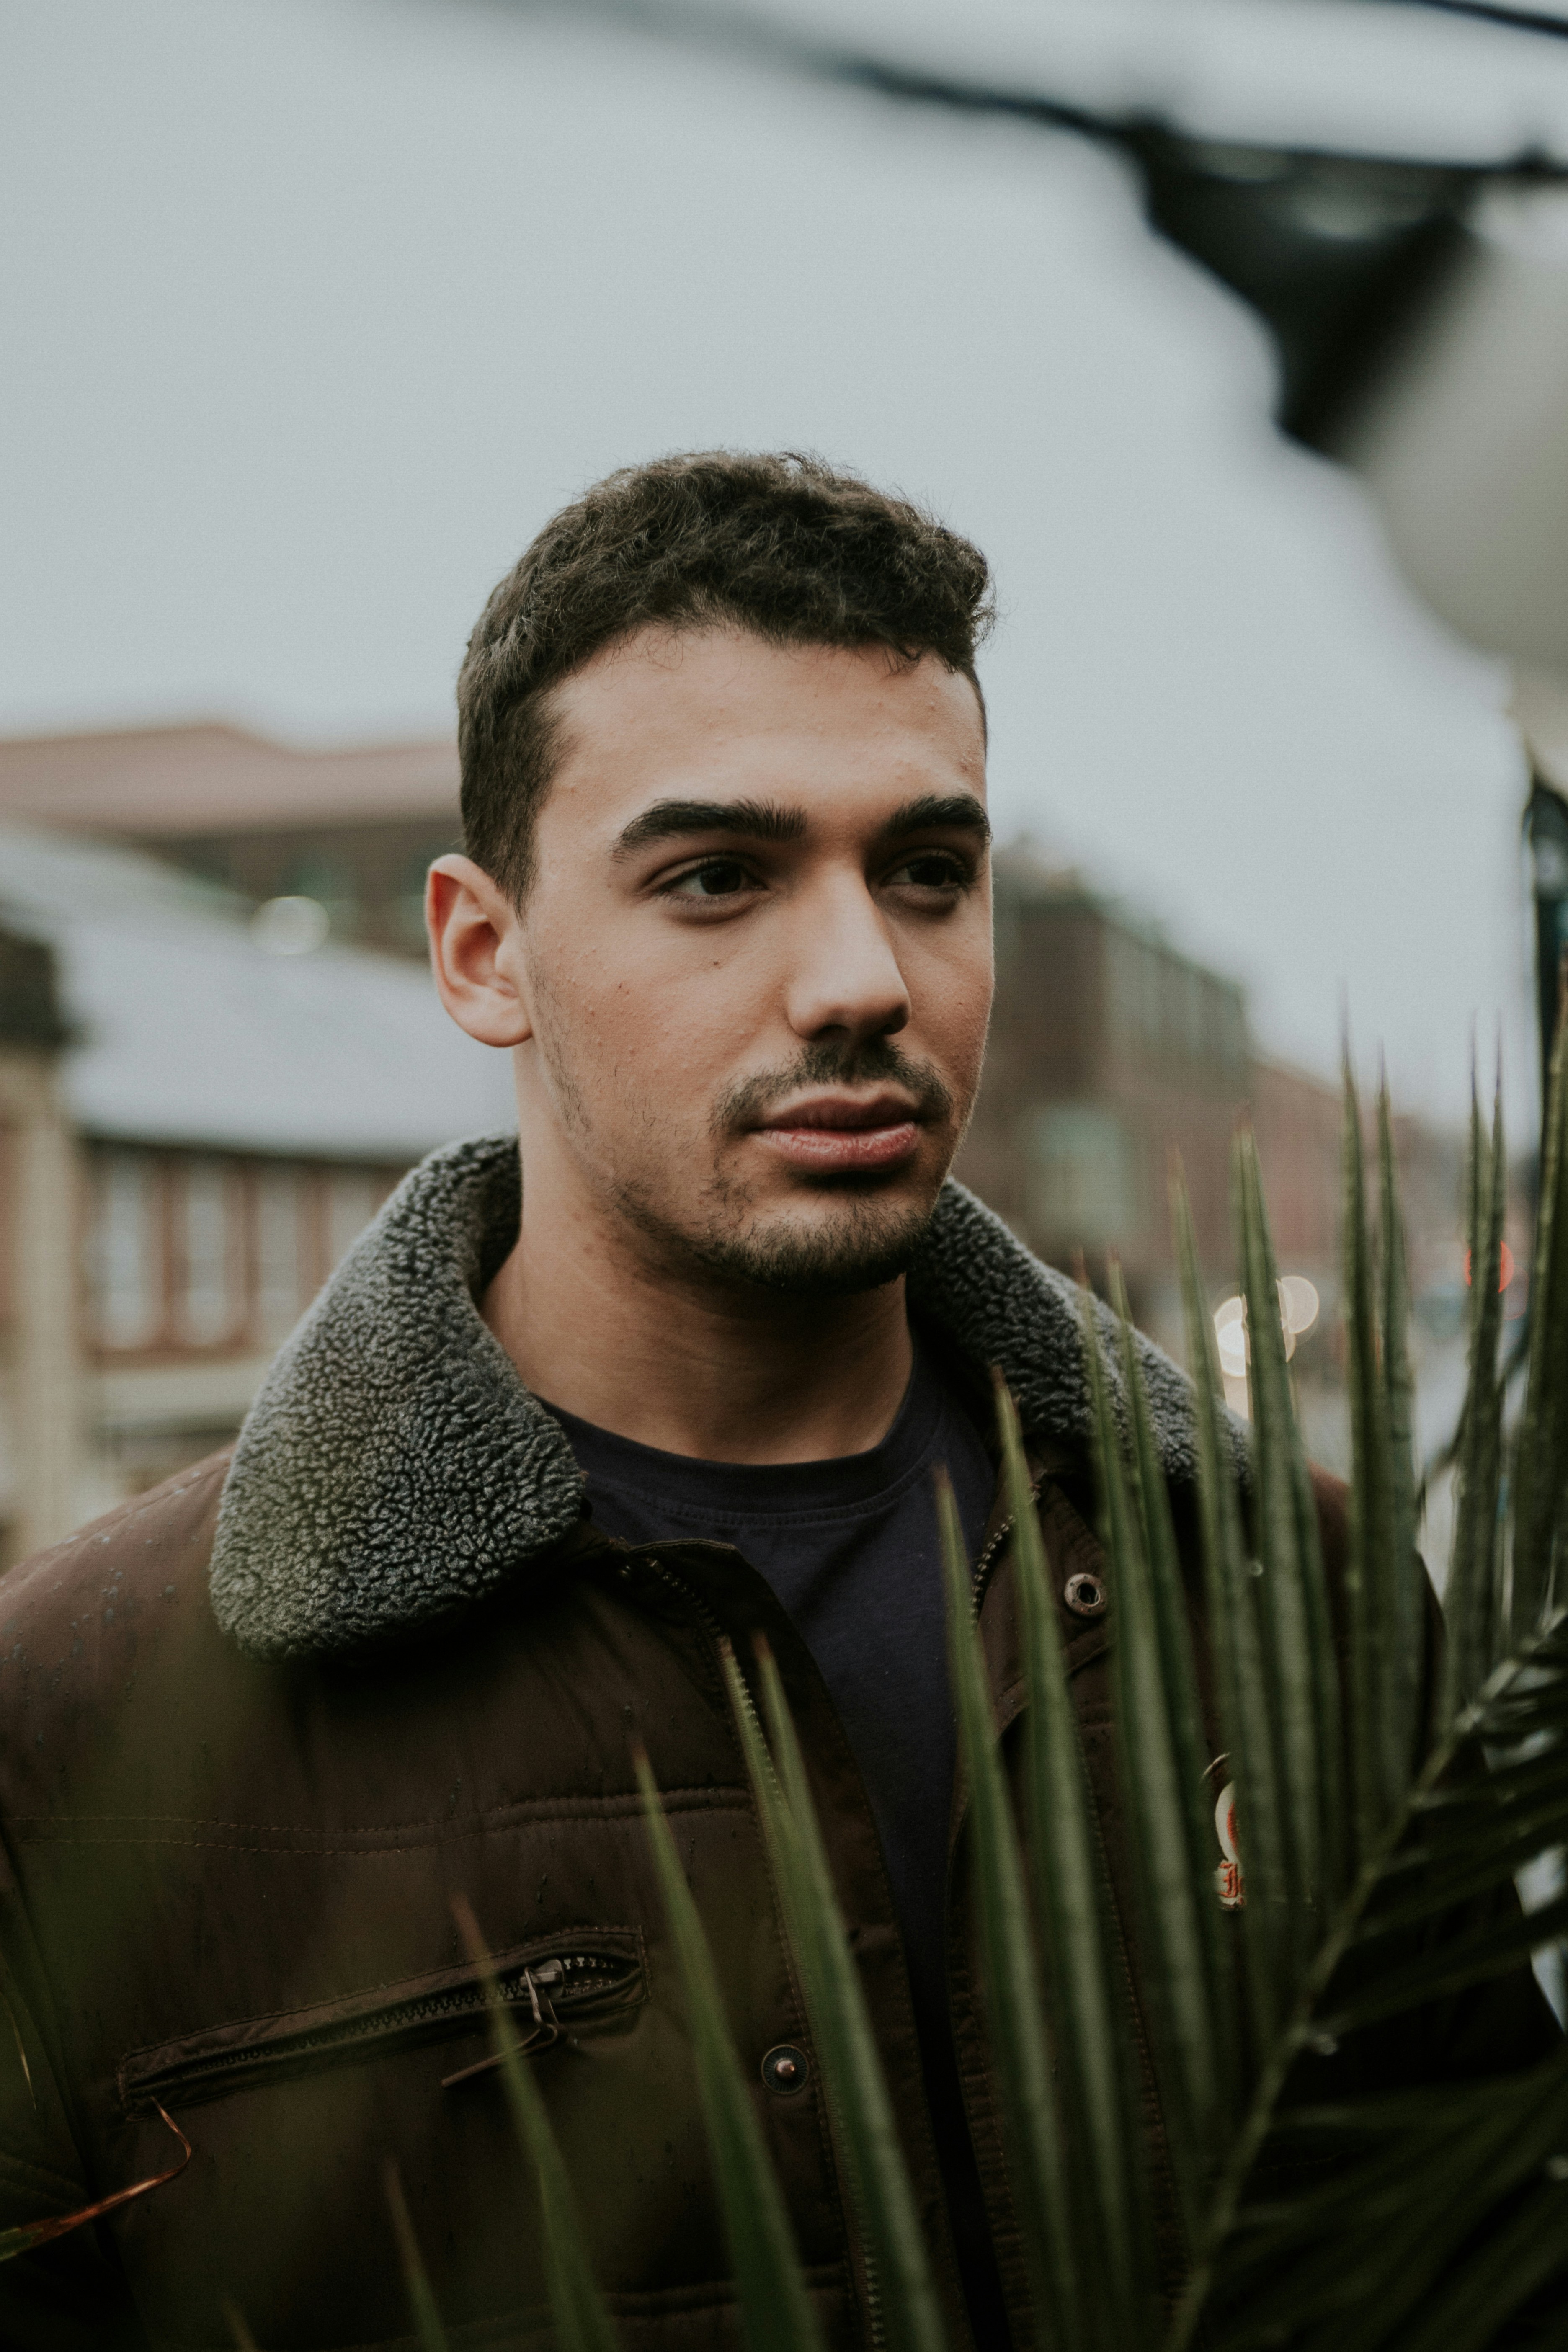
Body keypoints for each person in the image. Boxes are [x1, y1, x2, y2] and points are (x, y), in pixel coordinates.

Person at [0, 452, 1555, 2352]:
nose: (860, 978)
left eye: (928, 871)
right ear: (483, 953)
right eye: (718, 878)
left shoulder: (1270, 1583)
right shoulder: (76, 1727)